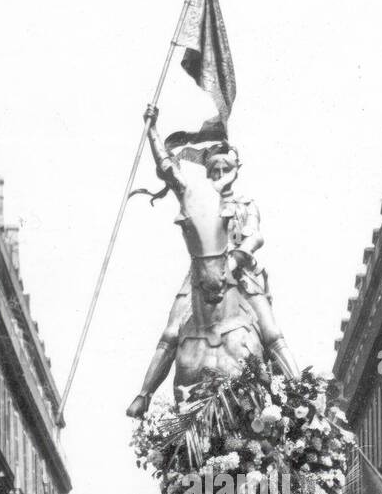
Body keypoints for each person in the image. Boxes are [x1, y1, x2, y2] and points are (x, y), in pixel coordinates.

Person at [126, 105, 298, 418]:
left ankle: (300, 393)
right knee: (170, 332)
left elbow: (255, 236)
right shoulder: (199, 199)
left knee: (271, 332)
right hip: (201, 273)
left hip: (240, 273)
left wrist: (234, 262)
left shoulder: (245, 204)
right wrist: (152, 132)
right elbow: (170, 171)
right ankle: (144, 394)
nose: (219, 175)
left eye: (225, 169)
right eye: (214, 171)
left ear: (236, 169)